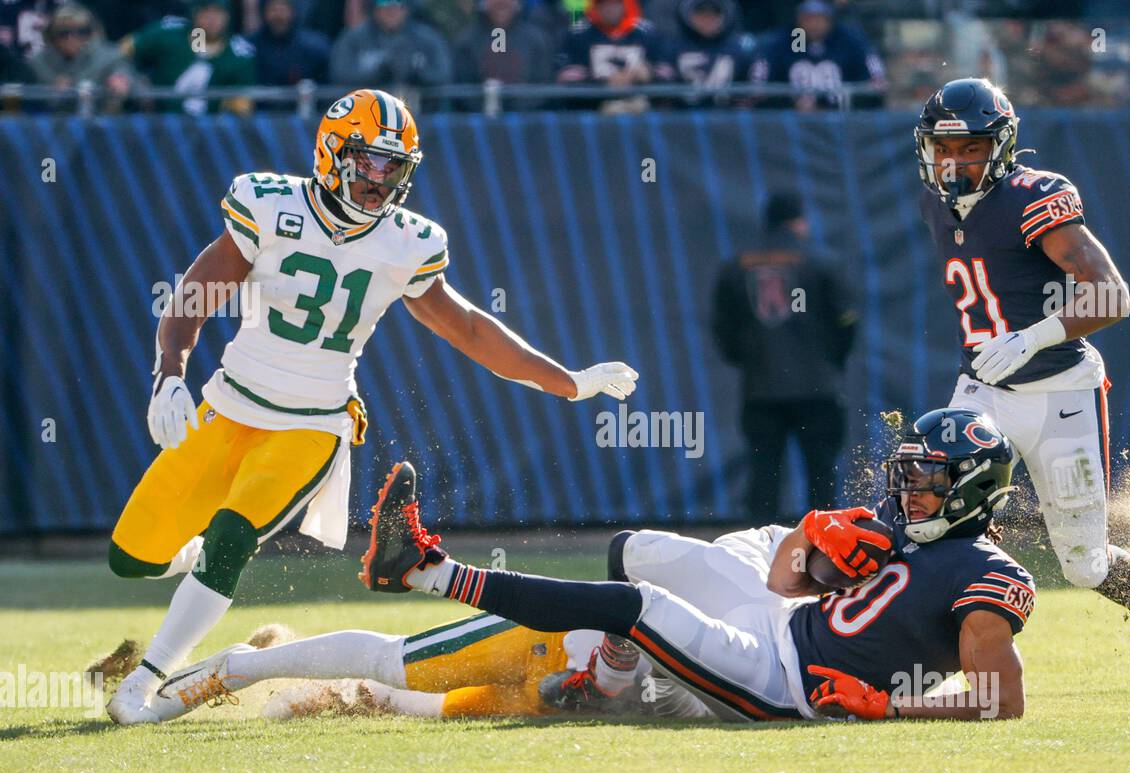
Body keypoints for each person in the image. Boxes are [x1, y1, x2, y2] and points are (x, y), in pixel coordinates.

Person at [104, 88, 639, 725]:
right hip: (229, 405)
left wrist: (568, 382)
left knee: (232, 537)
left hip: (312, 423)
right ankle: (181, 558)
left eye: (394, 166)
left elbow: (469, 328)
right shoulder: (270, 206)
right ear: (332, 153)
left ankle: (148, 679)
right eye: (369, 160)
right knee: (131, 559)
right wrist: (169, 375)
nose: (380, 179)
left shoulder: (406, 243)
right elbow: (197, 290)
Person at [146, 409, 1035, 725]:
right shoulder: (900, 533)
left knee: (633, 601)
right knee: (641, 552)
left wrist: (888, 708)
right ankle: (605, 679)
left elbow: (1003, 700)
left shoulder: (979, 577)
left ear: (973, 492)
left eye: (926, 482)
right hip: (775, 627)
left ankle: (426, 573)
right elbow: (784, 579)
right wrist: (811, 548)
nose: (907, 492)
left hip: (785, 680)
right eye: (907, 477)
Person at [913, 77, 1130, 689]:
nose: (955, 161)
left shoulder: (1031, 197)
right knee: (937, 528)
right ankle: (936, 668)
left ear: (1002, 147)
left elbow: (1112, 294)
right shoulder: (934, 199)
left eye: (971, 148)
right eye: (945, 146)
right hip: (982, 393)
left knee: (1084, 562)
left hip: (1060, 389)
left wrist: (1032, 336)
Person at [712, 190, 858, 523]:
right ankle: (823, 552)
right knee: (822, 478)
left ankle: (759, 550)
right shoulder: (822, 262)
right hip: (818, 389)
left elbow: (722, 329)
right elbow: (848, 322)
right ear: (799, 222)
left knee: (763, 478)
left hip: (760, 389)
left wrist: (748, 360)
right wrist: (831, 362)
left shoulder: (735, 266)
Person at [121, 0, 257, 115]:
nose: (212, 19)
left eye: (218, 12)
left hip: (211, 133)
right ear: (195, 12)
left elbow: (241, 109)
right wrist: (134, 78)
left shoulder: (239, 53)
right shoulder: (169, 32)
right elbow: (122, 50)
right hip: (159, 122)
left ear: (228, 16)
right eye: (206, 11)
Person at [749, 0, 885, 110]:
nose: (813, 25)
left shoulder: (848, 40)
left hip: (843, 119)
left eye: (819, 19)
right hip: (793, 118)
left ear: (829, 20)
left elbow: (875, 81)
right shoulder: (792, 39)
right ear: (798, 20)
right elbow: (761, 84)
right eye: (808, 19)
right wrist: (790, 104)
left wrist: (840, 104)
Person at [555, 0, 674, 111]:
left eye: (615, 3)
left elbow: (668, 73)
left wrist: (648, 73)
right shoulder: (578, 34)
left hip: (642, 109)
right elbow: (565, 78)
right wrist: (604, 83)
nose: (609, 8)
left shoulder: (648, 33)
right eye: (604, 3)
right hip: (592, 111)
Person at [329, 0, 451, 90]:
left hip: (422, 113)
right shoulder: (354, 38)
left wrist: (418, 74)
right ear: (374, 8)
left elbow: (444, 75)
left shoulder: (428, 38)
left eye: (399, 4)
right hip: (366, 112)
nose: (392, 10)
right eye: (384, 3)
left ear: (407, 8)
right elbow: (339, 75)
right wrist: (378, 73)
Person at [26, 4, 137, 103]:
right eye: (64, 33)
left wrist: (122, 79)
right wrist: (51, 92)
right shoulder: (37, 62)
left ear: (92, 33)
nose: (72, 38)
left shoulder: (110, 56)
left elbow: (125, 72)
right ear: (52, 36)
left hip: (101, 120)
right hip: (50, 122)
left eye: (81, 32)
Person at [452, 0, 554, 89]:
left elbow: (543, 85)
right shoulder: (466, 42)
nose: (502, 1)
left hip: (529, 111)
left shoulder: (537, 41)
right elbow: (461, 88)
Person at [250, 0, 331, 89]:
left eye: (283, 9)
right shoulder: (250, 46)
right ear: (264, 12)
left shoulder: (313, 48)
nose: (279, 16)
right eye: (273, 9)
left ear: (293, 12)